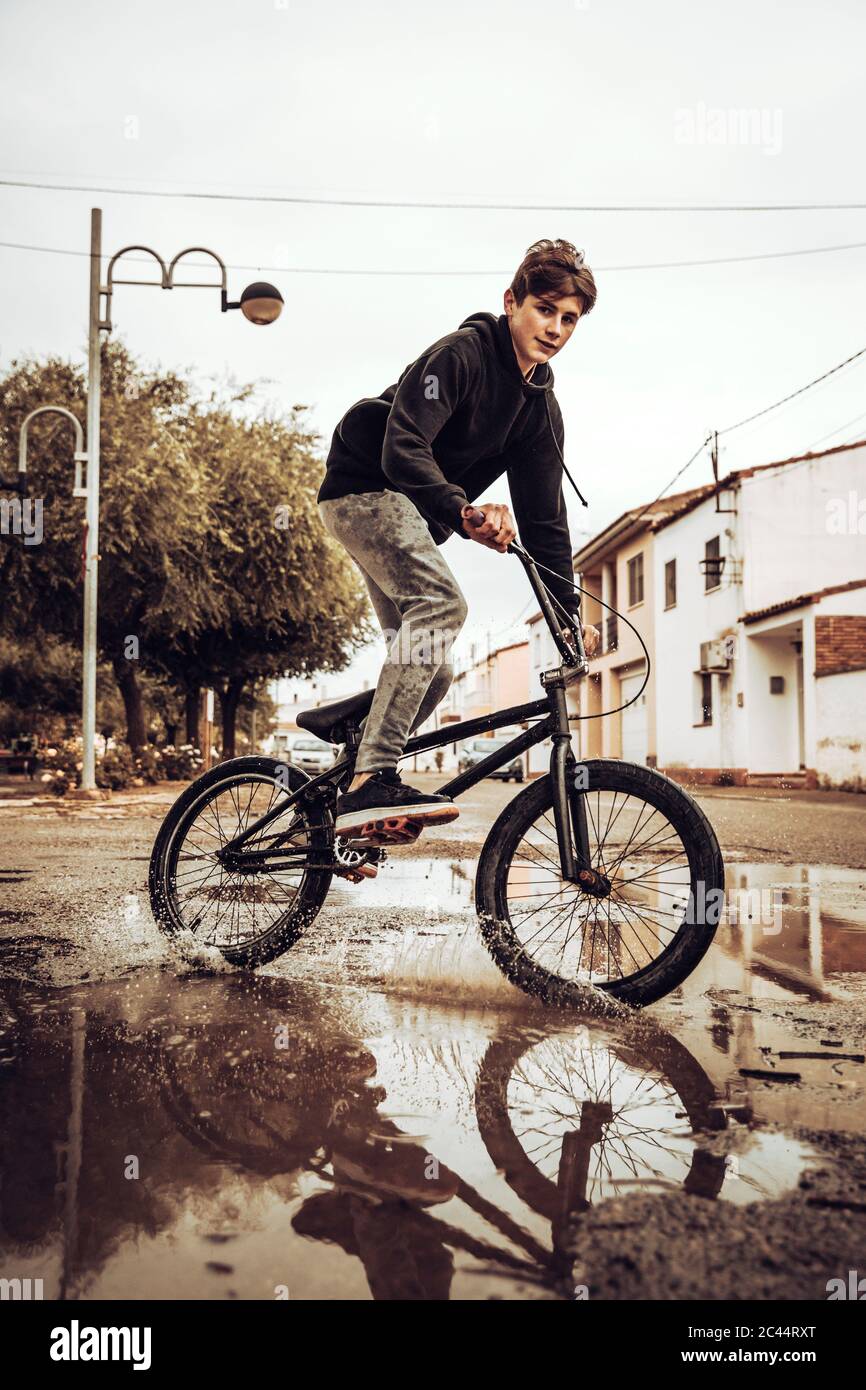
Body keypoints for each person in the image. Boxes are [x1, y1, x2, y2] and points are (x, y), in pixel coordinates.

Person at [317, 238, 601, 844]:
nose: (554, 329)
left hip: (411, 516)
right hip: (364, 489)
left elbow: (546, 524)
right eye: (544, 309)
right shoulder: (463, 355)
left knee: (434, 670)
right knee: (441, 607)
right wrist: (463, 509)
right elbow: (402, 447)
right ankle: (371, 779)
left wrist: (568, 619)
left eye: (569, 319)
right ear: (512, 302)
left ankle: (340, 793)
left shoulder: (539, 413)